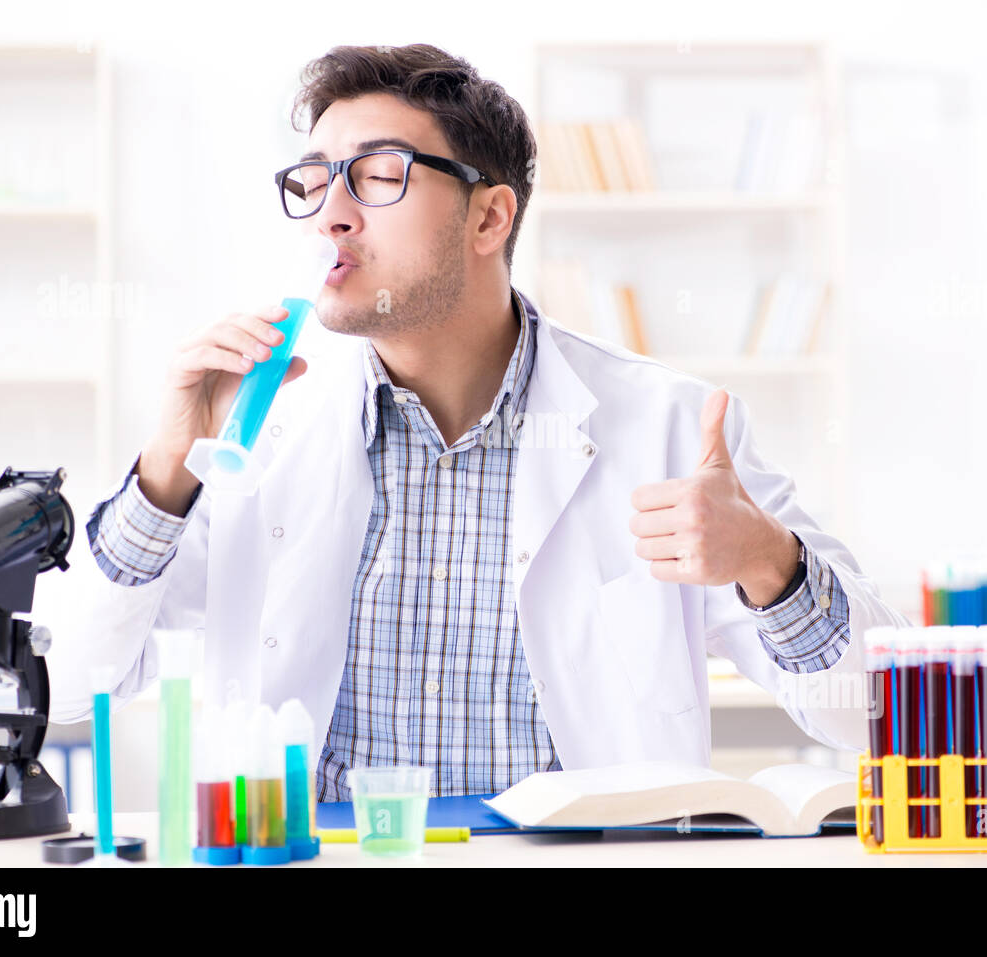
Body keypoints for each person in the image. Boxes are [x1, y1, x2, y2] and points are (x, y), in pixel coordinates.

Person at [47, 43, 909, 801]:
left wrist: (768, 562)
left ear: (489, 217)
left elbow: (871, 712)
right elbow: (76, 681)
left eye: (378, 174)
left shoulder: (671, 426)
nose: (331, 213)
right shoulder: (253, 433)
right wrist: (164, 475)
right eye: (312, 182)